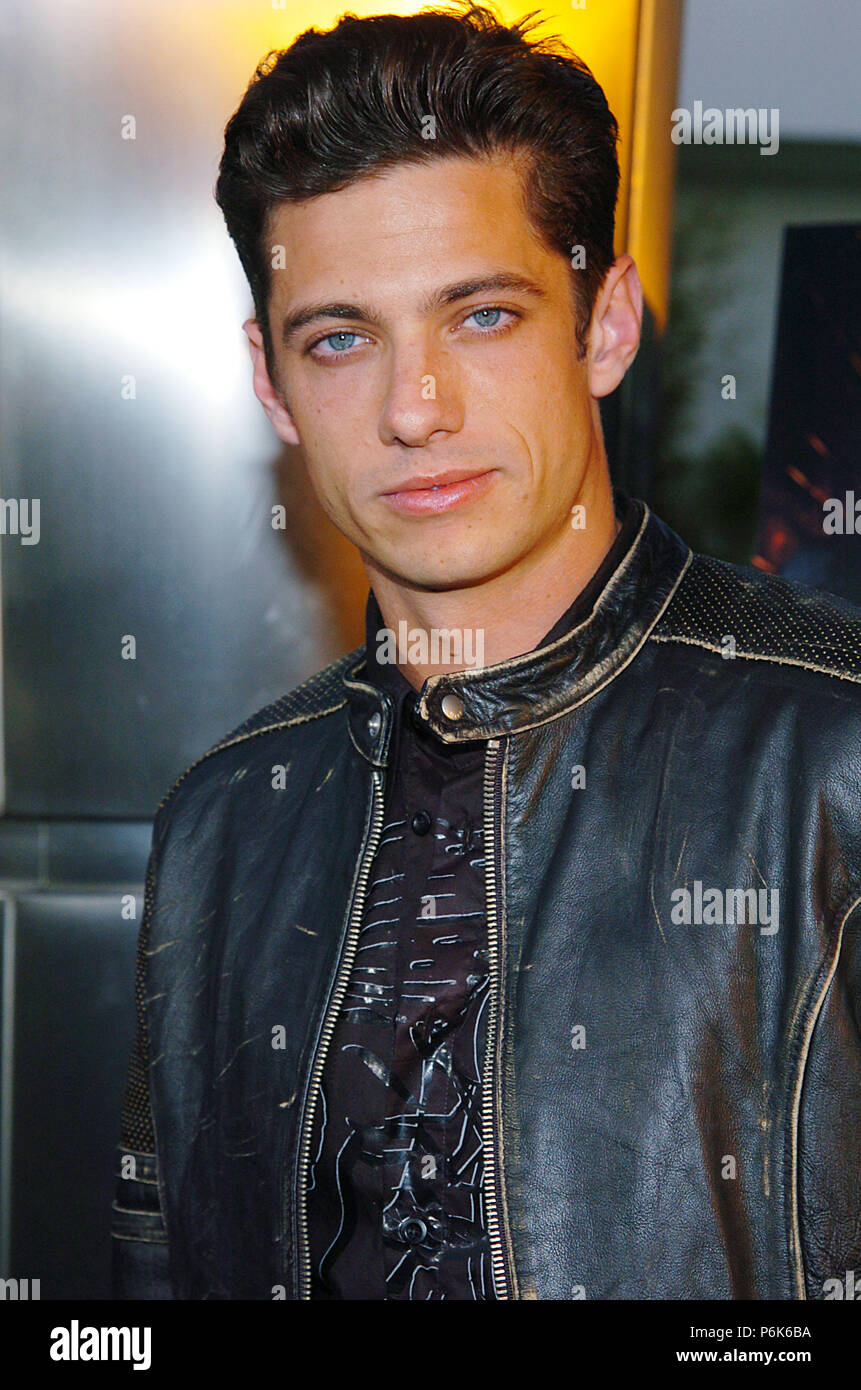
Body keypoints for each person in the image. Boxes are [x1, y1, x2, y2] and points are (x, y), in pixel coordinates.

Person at [111, 3, 861, 1300]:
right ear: (272, 382)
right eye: (340, 337)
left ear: (606, 323)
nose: (414, 408)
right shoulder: (220, 826)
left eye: (482, 317)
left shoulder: (831, 752)